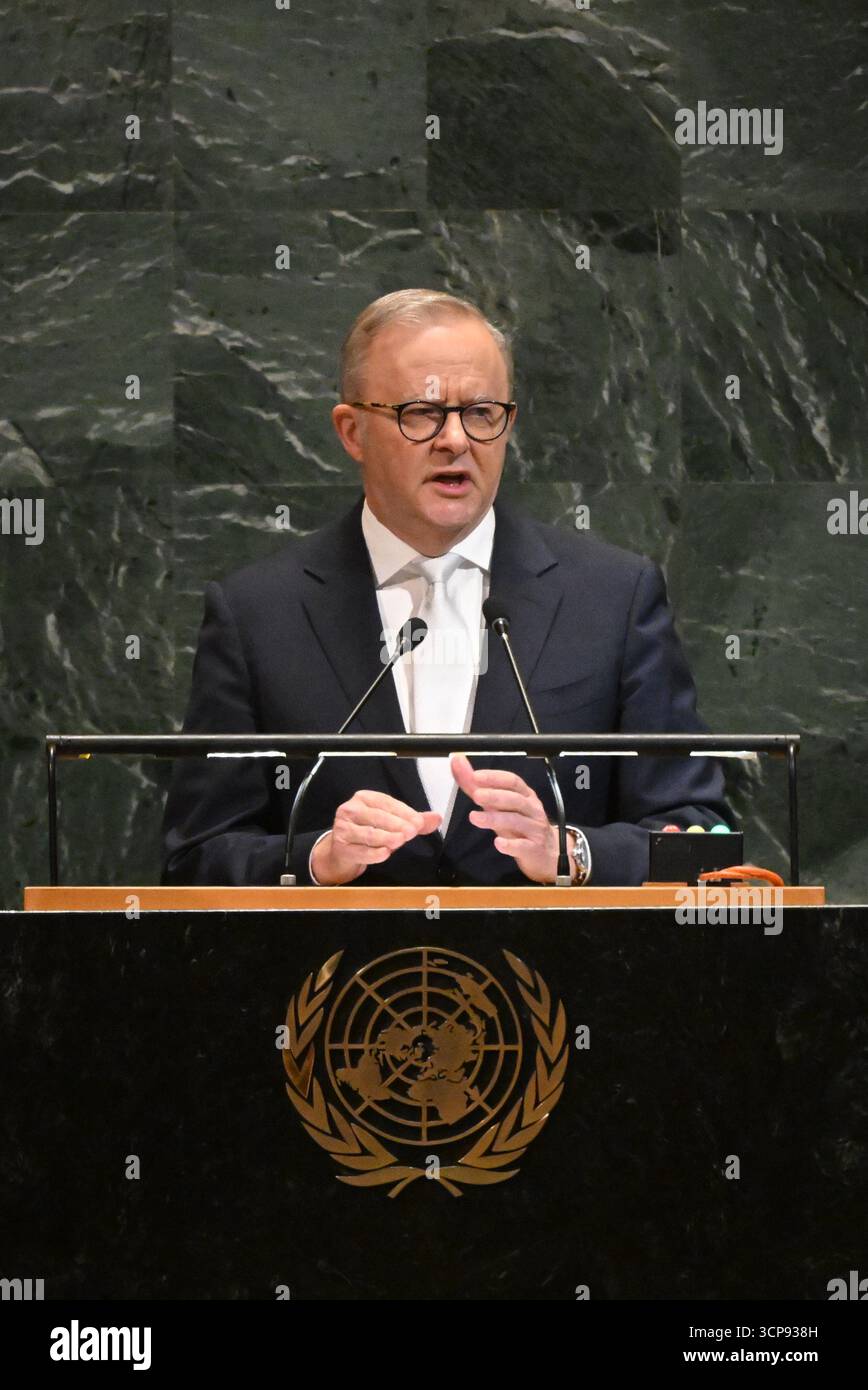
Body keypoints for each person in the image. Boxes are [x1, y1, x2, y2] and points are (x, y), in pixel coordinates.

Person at [161, 288, 732, 888]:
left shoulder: (613, 599)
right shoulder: (258, 615)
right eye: (421, 413)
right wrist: (315, 859)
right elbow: (194, 860)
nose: (455, 441)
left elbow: (702, 841)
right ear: (352, 432)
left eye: (482, 413)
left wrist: (572, 851)